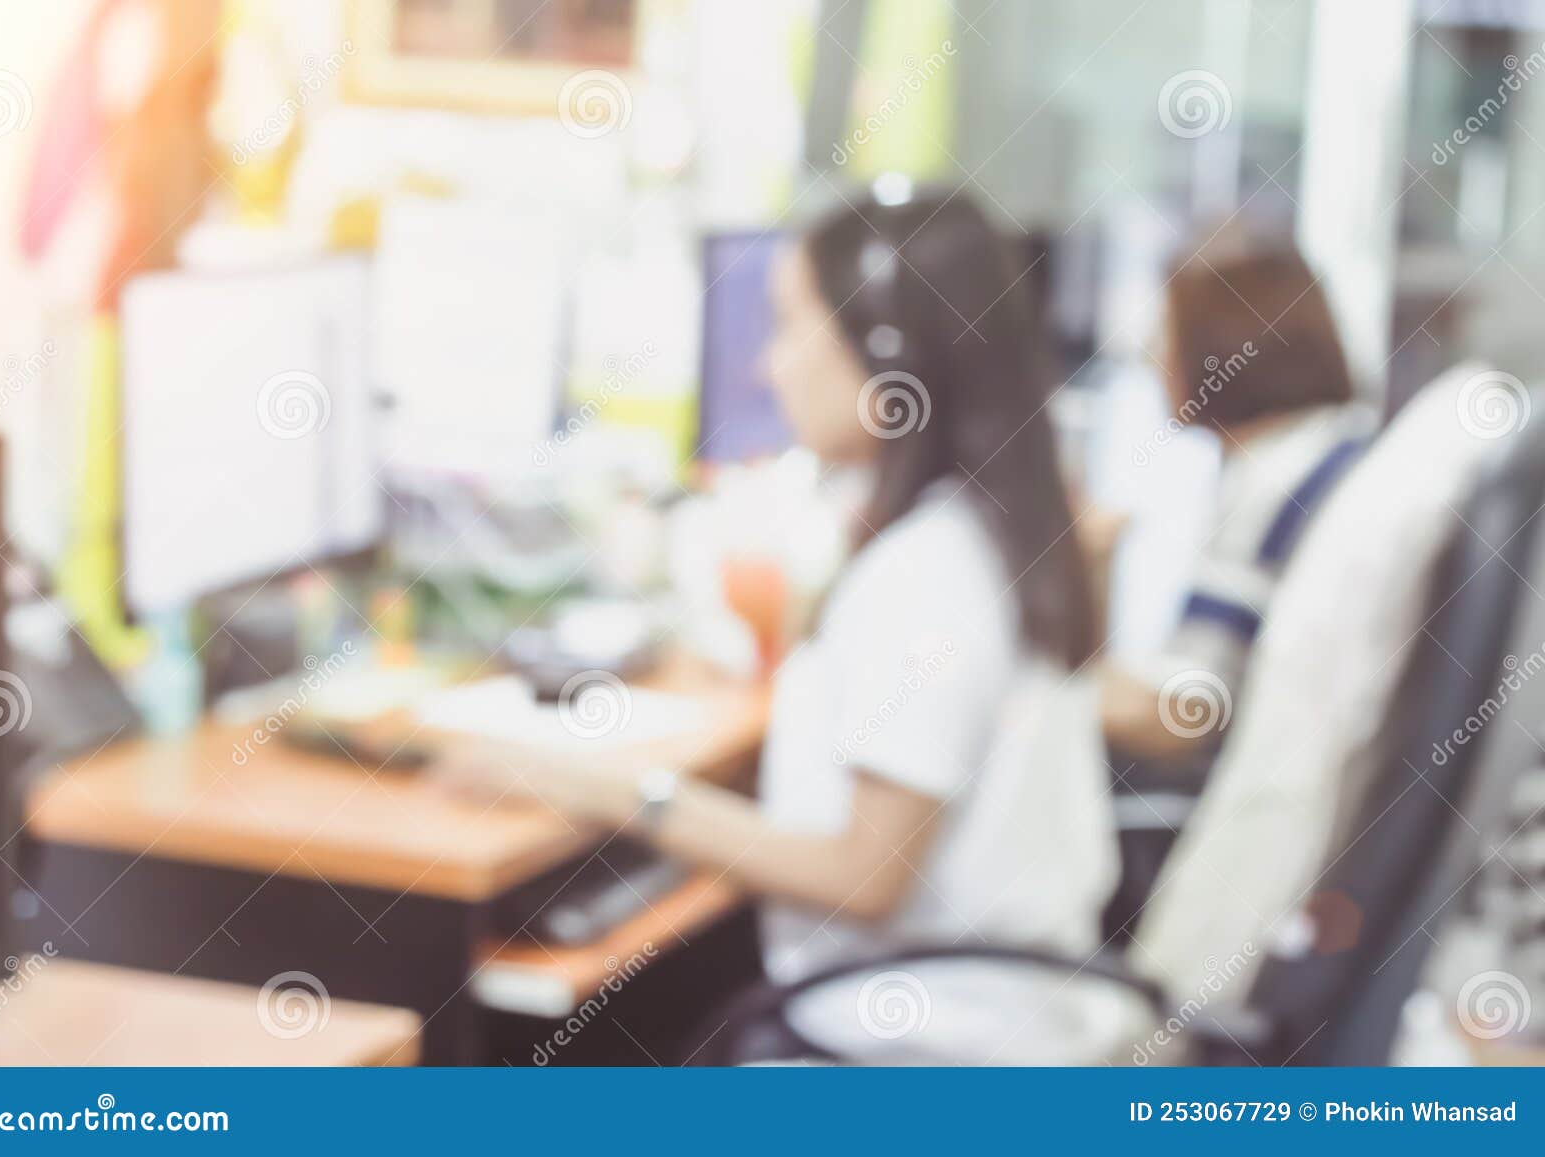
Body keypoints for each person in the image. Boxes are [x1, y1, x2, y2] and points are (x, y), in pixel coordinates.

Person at [430, 185, 1121, 1063]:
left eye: (792, 327)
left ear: (887, 365)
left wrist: (609, 789)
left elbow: (862, 876)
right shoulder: (988, 531)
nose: (768, 368)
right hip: (1001, 1033)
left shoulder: (925, 573)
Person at [1099, 229, 1374, 762]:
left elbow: (1186, 717)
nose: (1155, 358)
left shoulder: (1276, 484)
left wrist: (1032, 693)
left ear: (1218, 343)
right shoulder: (1332, 452)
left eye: (1166, 332)